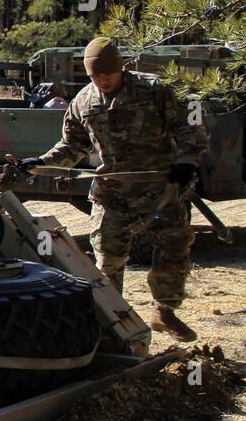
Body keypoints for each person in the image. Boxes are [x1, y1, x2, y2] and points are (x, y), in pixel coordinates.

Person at [18, 37, 207, 342]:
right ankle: (111, 325)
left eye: (107, 74)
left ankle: (165, 311)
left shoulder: (154, 90)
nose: (102, 81)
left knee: (174, 250)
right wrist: (39, 162)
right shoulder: (83, 102)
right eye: (95, 76)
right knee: (108, 263)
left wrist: (186, 162)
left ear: (121, 68)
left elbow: (188, 127)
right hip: (112, 194)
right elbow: (72, 145)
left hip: (159, 192)